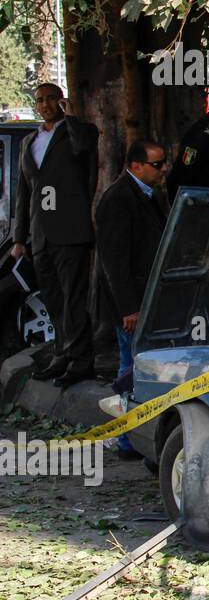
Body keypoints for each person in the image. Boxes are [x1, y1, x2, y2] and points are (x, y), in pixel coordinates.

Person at [13, 82, 99, 387]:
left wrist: (72, 118)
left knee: (73, 298)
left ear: (61, 101)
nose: (46, 104)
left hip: (71, 231)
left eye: (52, 99)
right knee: (53, 298)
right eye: (40, 100)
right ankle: (62, 354)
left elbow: (85, 150)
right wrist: (19, 237)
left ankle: (82, 361)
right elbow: (25, 192)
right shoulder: (29, 142)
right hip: (40, 234)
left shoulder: (79, 132)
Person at [95, 139, 170, 387]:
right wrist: (128, 308)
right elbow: (114, 260)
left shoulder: (148, 195)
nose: (164, 168)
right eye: (157, 164)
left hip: (147, 296)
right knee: (131, 363)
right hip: (131, 303)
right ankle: (125, 412)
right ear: (137, 166)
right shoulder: (118, 199)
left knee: (141, 360)